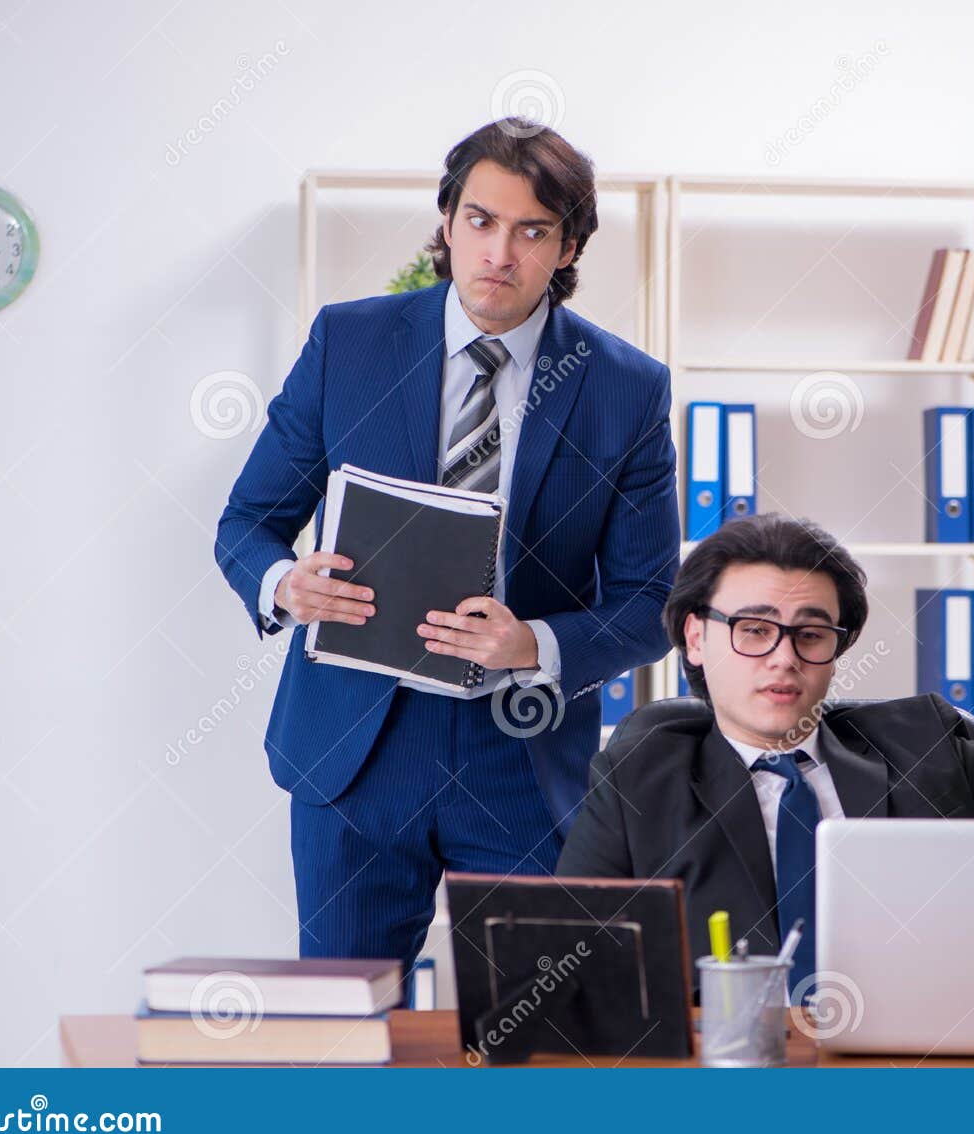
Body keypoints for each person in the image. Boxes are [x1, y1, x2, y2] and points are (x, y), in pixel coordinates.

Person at [214, 118, 679, 978]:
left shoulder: (626, 388)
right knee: (349, 1039)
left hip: (522, 755)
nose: (498, 252)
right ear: (447, 220)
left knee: (540, 1038)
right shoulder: (347, 344)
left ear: (569, 243)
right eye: (479, 220)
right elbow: (247, 522)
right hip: (356, 751)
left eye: (531, 230)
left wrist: (532, 643)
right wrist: (284, 584)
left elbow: (653, 601)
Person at [556, 513, 974, 995]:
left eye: (811, 632)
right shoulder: (641, 774)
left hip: (919, 1068)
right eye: (753, 629)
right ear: (695, 637)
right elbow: (566, 965)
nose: (784, 657)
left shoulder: (927, 745)